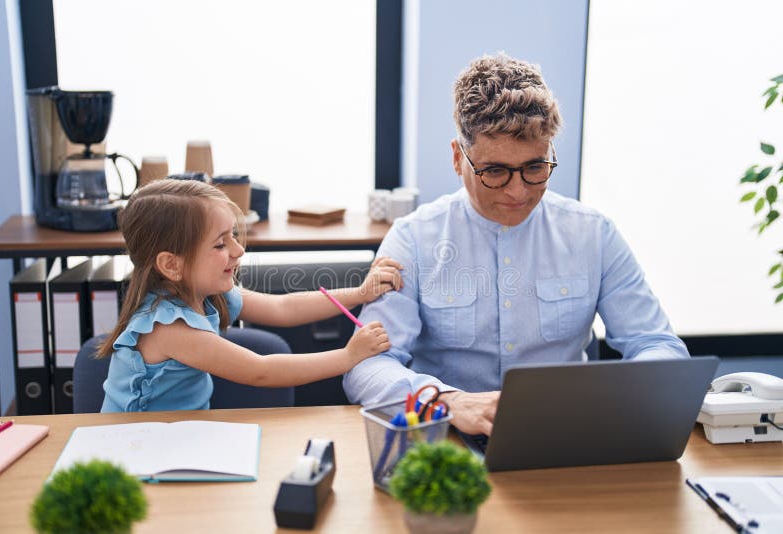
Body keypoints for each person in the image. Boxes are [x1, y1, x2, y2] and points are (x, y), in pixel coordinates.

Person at [343, 53, 689, 436]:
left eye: (535, 168)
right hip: (449, 440)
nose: (518, 191)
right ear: (459, 159)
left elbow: (657, 344)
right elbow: (366, 367)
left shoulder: (593, 234)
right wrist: (448, 401)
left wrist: (617, 399)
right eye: (495, 172)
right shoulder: (413, 239)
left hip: (564, 437)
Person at [98, 179, 402, 412]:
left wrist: (360, 293)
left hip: (178, 438)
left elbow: (283, 308)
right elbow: (261, 371)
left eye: (233, 236)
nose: (238, 250)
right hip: (134, 448)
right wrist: (348, 357)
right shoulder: (169, 328)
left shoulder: (207, 294)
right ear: (171, 265)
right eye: (220, 244)